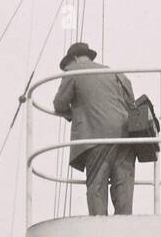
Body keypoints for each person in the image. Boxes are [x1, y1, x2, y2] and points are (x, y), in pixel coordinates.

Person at [52, 42, 139, 217]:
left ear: (74, 58)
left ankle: (99, 230)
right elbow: (131, 103)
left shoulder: (75, 71)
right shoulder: (115, 73)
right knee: (123, 186)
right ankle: (125, 229)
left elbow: (59, 103)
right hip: (126, 135)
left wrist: (73, 115)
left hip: (96, 137)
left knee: (97, 186)